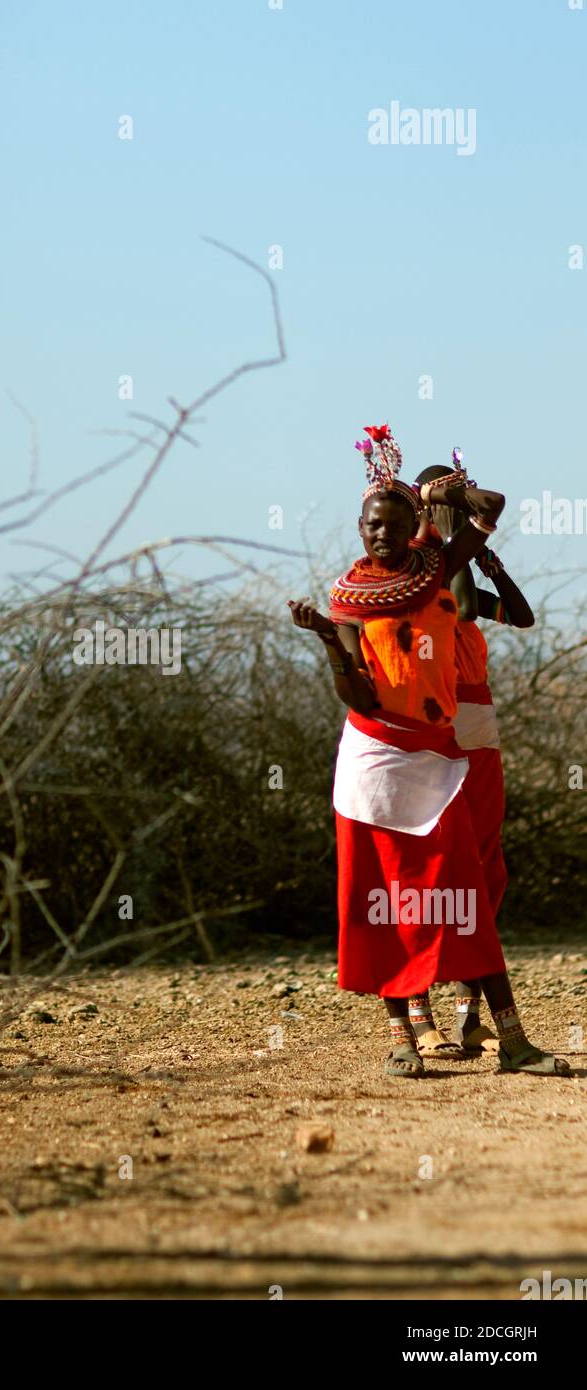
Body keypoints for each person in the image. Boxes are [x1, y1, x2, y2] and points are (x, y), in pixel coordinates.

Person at [288, 424, 569, 1079]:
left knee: (464, 892)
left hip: (440, 756)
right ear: (358, 529)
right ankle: (402, 1036)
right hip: (373, 763)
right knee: (382, 899)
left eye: (391, 523)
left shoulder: (439, 572)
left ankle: (511, 1039)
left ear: (409, 520)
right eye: (369, 525)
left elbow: (492, 511)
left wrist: (451, 490)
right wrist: (330, 642)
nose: (379, 534)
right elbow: (357, 699)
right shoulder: (348, 599)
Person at [409, 458, 535, 1057]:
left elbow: (523, 614)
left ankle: (468, 1012)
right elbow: (457, 606)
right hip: (434, 723)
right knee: (432, 865)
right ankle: (418, 1009)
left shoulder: (461, 581)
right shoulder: (416, 575)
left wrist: (489, 559)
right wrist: (451, 522)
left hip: (477, 726)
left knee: (484, 866)